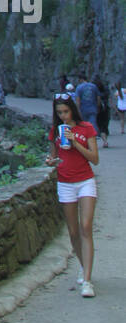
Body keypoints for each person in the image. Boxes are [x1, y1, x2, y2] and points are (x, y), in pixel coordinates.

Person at [45, 94, 99, 297]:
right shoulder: (55, 132)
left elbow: (95, 159)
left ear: (72, 110)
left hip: (85, 181)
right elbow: (55, 157)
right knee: (73, 232)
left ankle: (87, 280)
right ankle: (84, 267)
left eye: (66, 112)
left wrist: (76, 142)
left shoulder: (86, 128)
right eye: (59, 113)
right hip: (65, 183)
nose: (63, 116)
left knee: (86, 227)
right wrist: (51, 161)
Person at [94, 78, 110, 148]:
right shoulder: (106, 91)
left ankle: (105, 141)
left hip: (99, 110)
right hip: (106, 110)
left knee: (101, 126)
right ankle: (105, 141)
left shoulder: (96, 92)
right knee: (105, 126)